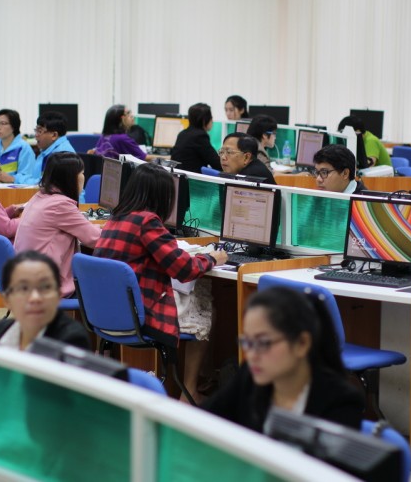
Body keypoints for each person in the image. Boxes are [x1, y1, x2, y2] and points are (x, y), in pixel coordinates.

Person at [93, 163, 227, 401]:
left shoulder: (116, 217)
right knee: (206, 305)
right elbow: (185, 269)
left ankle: (202, 382)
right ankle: (190, 390)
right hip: (140, 314)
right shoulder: (148, 222)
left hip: (109, 313)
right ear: (162, 196)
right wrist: (212, 257)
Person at [204, 286, 364, 432]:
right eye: (247, 342)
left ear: (302, 343)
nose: (251, 355)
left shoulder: (341, 403)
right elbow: (200, 420)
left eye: (263, 343)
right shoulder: (249, 377)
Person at [15, 152, 101, 298]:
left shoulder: (41, 196)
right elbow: (95, 239)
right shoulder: (60, 205)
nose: (83, 177)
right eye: (82, 173)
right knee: (106, 282)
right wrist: (110, 228)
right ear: (71, 178)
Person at [0, 251, 90, 351]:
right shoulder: (0, 330)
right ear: (7, 300)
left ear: (58, 295)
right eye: (24, 288)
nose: (35, 298)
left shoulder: (72, 339)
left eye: (45, 287)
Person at [20, 111, 77, 185]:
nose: (36, 135)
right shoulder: (47, 151)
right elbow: (36, 178)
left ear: (54, 135)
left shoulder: (62, 155)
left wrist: (14, 179)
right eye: (36, 130)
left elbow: (46, 184)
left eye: (39, 131)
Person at [170, 103, 221, 174]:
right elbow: (216, 163)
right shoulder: (200, 136)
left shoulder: (182, 133)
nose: (212, 120)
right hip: (191, 181)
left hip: (180, 178)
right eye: (210, 117)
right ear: (204, 120)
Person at [0, 108, 36, 184]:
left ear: (13, 127)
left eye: (3, 123)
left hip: (14, 191)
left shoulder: (23, 148)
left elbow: (27, 177)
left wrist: (11, 179)